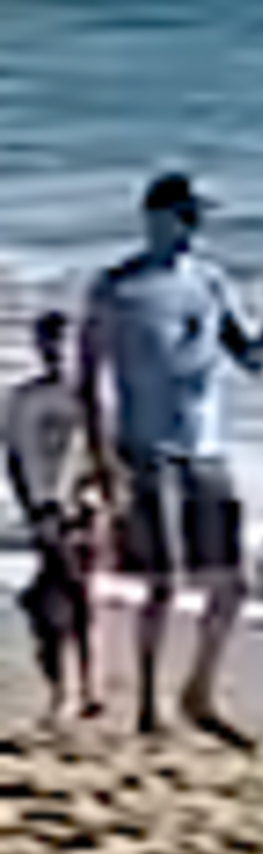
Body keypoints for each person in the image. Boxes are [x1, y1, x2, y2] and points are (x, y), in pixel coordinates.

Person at [78, 171, 263, 746]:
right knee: (164, 582)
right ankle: (147, 707)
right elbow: (87, 379)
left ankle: (199, 693)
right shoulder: (116, 287)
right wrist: (101, 461)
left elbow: (252, 360)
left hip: (206, 445)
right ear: (157, 217)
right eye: (189, 215)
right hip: (145, 448)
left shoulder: (212, 281)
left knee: (232, 582)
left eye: (201, 217)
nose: (197, 227)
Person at [4, 308, 102, 722]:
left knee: (73, 595)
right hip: (43, 508)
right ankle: (71, 690)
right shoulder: (23, 399)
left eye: (62, 342)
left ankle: (78, 689)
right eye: (48, 342)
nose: (55, 351)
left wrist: (92, 498)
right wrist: (32, 506)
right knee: (60, 596)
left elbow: (102, 452)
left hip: (81, 508)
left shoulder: (88, 397)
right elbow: (13, 457)